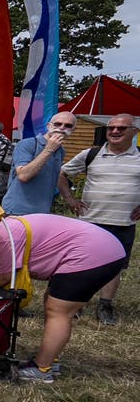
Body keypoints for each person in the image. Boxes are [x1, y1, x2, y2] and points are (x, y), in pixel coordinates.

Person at [0, 213, 125, 383]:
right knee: (52, 301)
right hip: (105, 247)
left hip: (93, 254)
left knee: (58, 311)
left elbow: (5, 277)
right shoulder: (3, 227)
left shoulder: (4, 234)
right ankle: (48, 359)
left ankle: (41, 369)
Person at [57, 113, 140, 325]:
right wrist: (69, 199)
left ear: (134, 131)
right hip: (91, 222)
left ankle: (105, 306)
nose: (114, 131)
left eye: (121, 128)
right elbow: (62, 174)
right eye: (111, 128)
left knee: (115, 266)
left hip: (123, 222)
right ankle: (76, 302)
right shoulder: (91, 154)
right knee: (83, 264)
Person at [2, 112, 77, 215]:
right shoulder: (27, 144)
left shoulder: (60, 151)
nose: (62, 128)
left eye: (68, 125)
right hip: (17, 211)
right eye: (57, 124)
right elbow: (23, 175)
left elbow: (57, 175)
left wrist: (69, 199)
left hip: (42, 212)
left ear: (73, 130)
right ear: (48, 126)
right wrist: (48, 150)